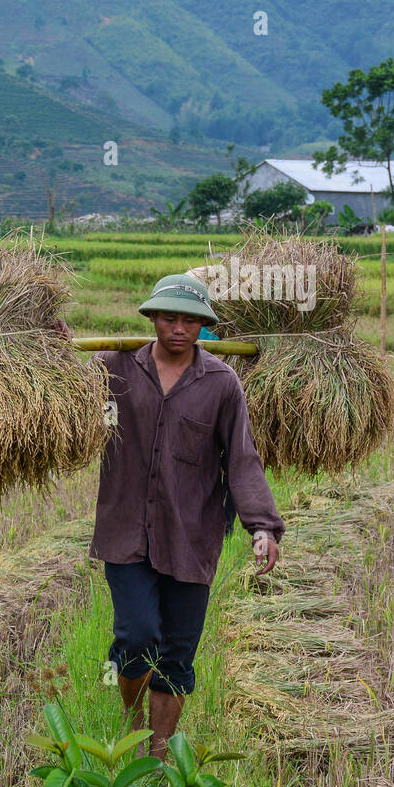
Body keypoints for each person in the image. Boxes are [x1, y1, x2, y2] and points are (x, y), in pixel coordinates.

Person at [90, 272, 283, 759]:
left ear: (204, 326)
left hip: (192, 538)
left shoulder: (220, 382)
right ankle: (133, 718)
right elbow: (55, 393)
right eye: (169, 317)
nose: (179, 328)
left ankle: (155, 756)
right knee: (136, 637)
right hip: (126, 531)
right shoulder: (112, 369)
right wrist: (44, 347)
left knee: (177, 654)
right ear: (152, 317)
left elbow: (242, 459)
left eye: (190, 320)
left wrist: (262, 526)